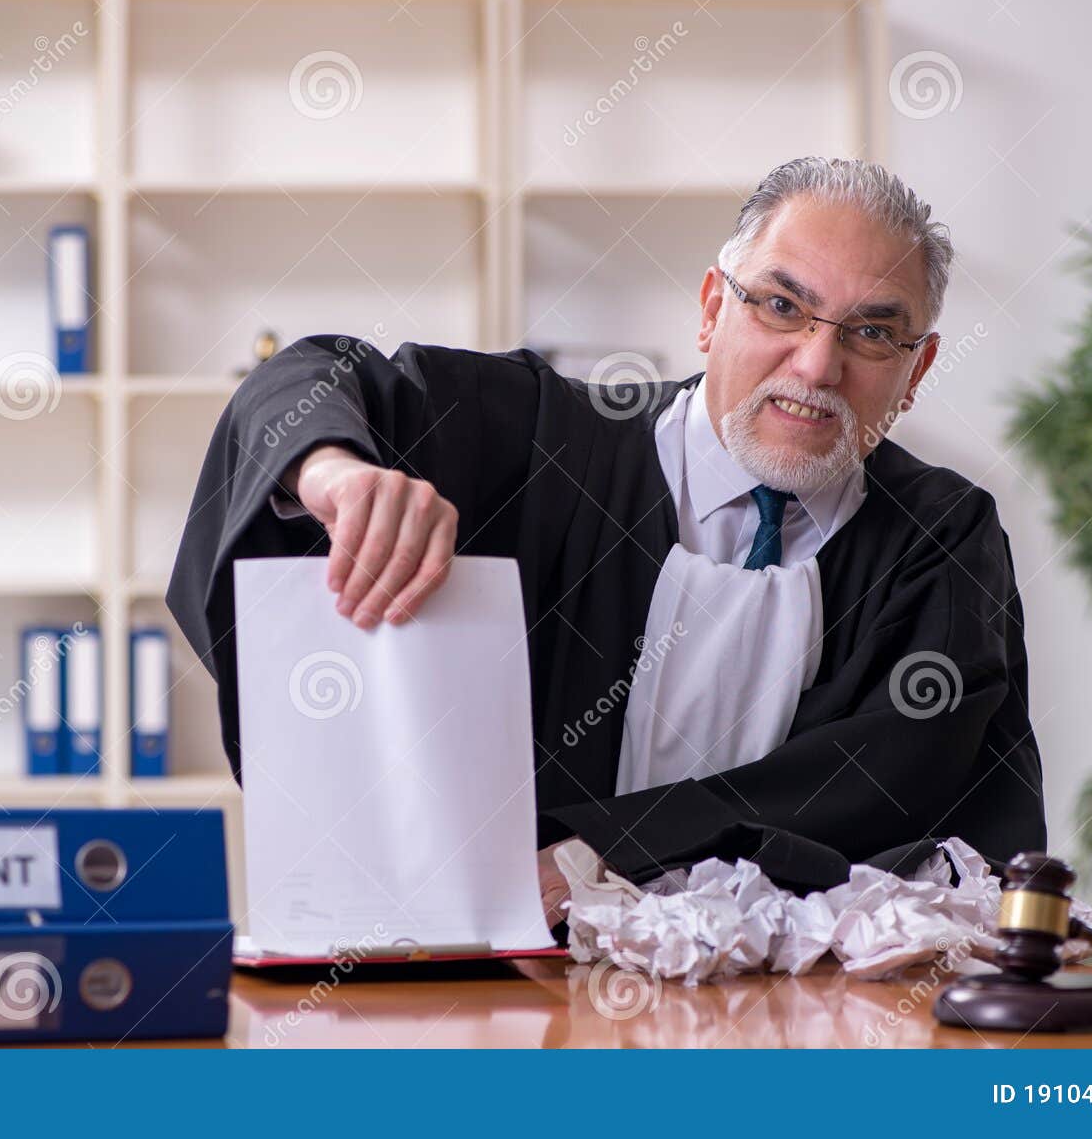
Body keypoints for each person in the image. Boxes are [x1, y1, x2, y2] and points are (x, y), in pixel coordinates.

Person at [168, 156, 1045, 927]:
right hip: (505, 991)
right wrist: (335, 476)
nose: (818, 365)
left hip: (787, 1022)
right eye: (783, 306)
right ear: (712, 311)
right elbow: (303, 377)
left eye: (873, 332)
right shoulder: (545, 440)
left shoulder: (940, 535)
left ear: (916, 371)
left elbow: (888, 782)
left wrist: (606, 851)